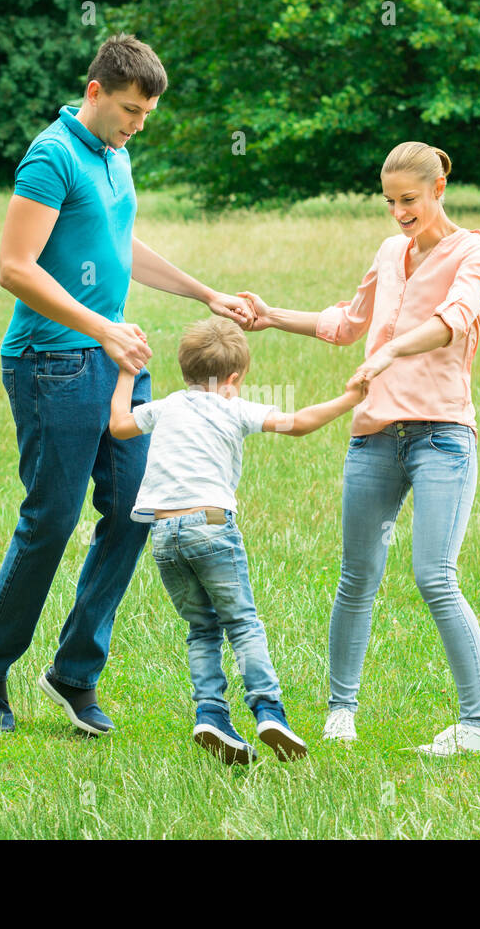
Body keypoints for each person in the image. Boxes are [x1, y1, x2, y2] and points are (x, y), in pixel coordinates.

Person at [0, 34, 254, 736]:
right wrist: (101, 327)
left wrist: (204, 292)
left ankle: (74, 672)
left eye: (147, 114)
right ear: (94, 92)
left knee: (134, 510)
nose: (137, 124)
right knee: (52, 519)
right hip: (50, 364)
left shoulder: (115, 155)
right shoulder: (51, 156)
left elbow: (120, 242)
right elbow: (15, 266)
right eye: (128, 109)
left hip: (115, 358)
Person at [238, 142, 480, 756]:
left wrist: (391, 350)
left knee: (435, 576)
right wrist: (272, 315)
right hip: (375, 435)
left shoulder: (474, 250)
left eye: (409, 200)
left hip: (442, 435)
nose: (399, 212)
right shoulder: (389, 252)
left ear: (440, 187)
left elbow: (456, 319)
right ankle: (340, 712)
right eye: (390, 202)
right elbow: (347, 323)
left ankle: (478, 726)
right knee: (357, 576)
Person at [108, 317, 365, 764]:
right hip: (211, 525)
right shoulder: (233, 408)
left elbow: (119, 426)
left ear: (186, 371)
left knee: (202, 628)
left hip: (163, 536)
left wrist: (127, 371)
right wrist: (351, 398)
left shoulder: (167, 406)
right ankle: (269, 710)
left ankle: (210, 714)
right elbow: (299, 423)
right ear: (234, 380)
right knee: (243, 624)